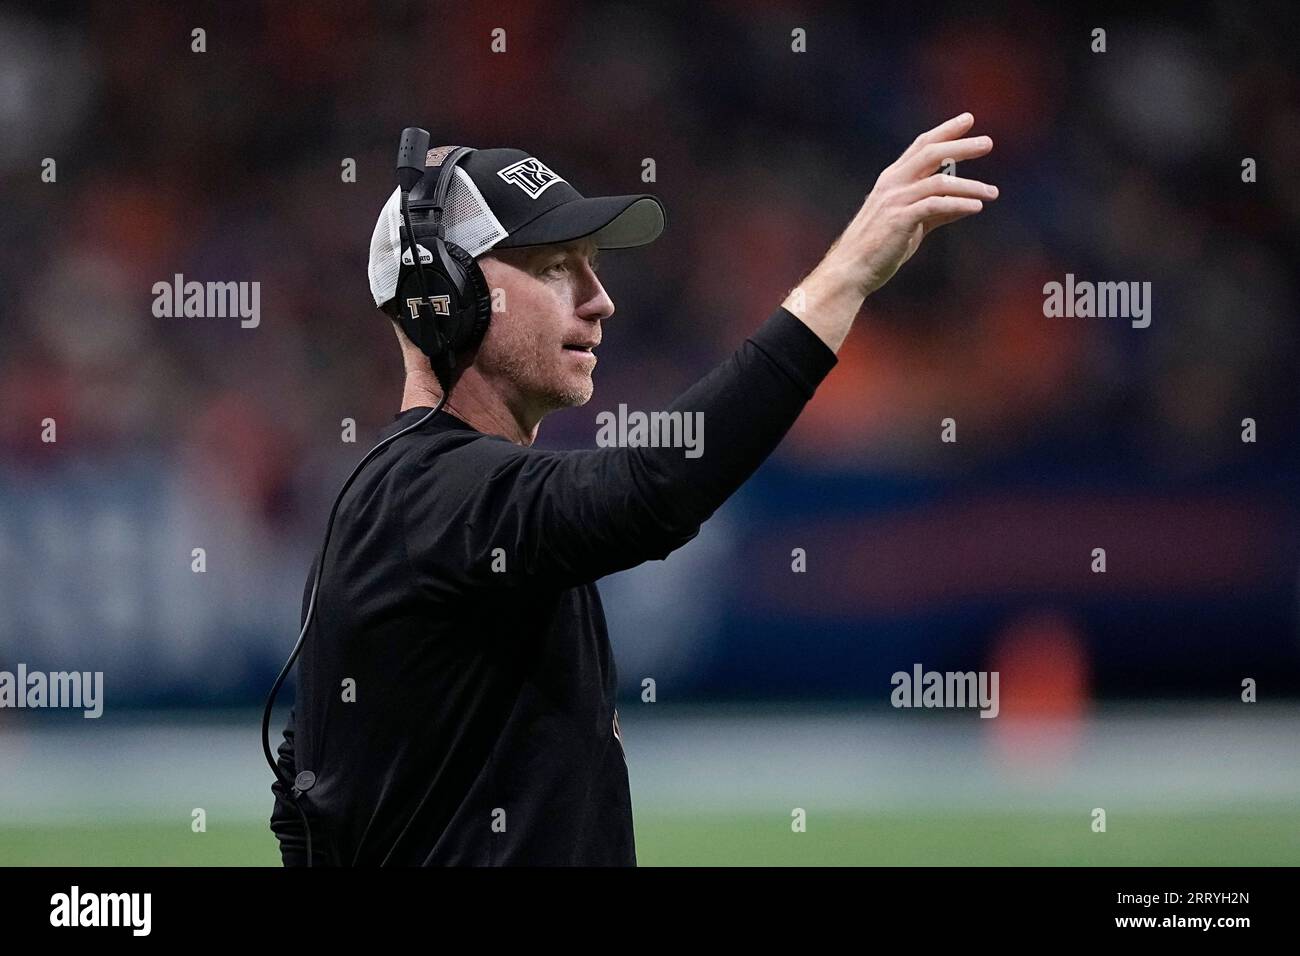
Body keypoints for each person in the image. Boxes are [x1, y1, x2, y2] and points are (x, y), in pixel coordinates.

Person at [270, 113, 997, 865]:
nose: (599, 298)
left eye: (592, 264)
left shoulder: (420, 493)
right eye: (556, 267)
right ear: (446, 294)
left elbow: (303, 785)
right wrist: (843, 280)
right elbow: (650, 491)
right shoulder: (428, 491)